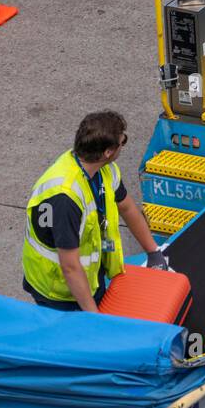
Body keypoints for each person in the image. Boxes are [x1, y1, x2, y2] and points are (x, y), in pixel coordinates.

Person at [22, 110, 167, 312]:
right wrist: (94, 317)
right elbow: (70, 267)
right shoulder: (65, 198)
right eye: (122, 141)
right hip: (58, 290)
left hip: (88, 277)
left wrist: (153, 251)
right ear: (108, 152)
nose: (124, 143)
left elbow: (126, 207)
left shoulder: (104, 171)